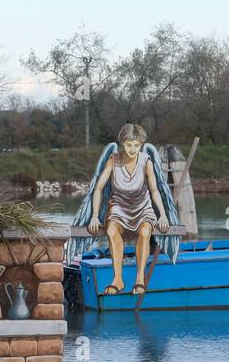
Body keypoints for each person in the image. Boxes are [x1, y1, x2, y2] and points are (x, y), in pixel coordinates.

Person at [72, 123, 180, 296]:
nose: (132, 149)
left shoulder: (146, 161)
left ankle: (139, 279)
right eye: (129, 145)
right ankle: (118, 279)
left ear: (141, 145)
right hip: (119, 207)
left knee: (145, 232)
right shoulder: (113, 160)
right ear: (122, 143)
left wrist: (164, 215)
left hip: (143, 207)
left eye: (136, 146)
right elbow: (98, 188)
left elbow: (154, 190)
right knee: (112, 230)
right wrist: (93, 216)